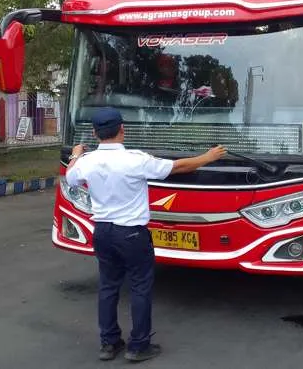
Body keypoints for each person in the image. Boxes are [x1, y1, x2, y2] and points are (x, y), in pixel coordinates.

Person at [65, 107, 227, 362]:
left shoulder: (86, 162)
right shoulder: (136, 159)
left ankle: (108, 344)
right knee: (140, 287)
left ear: (95, 134)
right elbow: (179, 167)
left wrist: (75, 154)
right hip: (131, 234)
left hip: (103, 232)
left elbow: (71, 178)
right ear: (122, 130)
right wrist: (207, 157)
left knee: (108, 286)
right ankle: (138, 346)